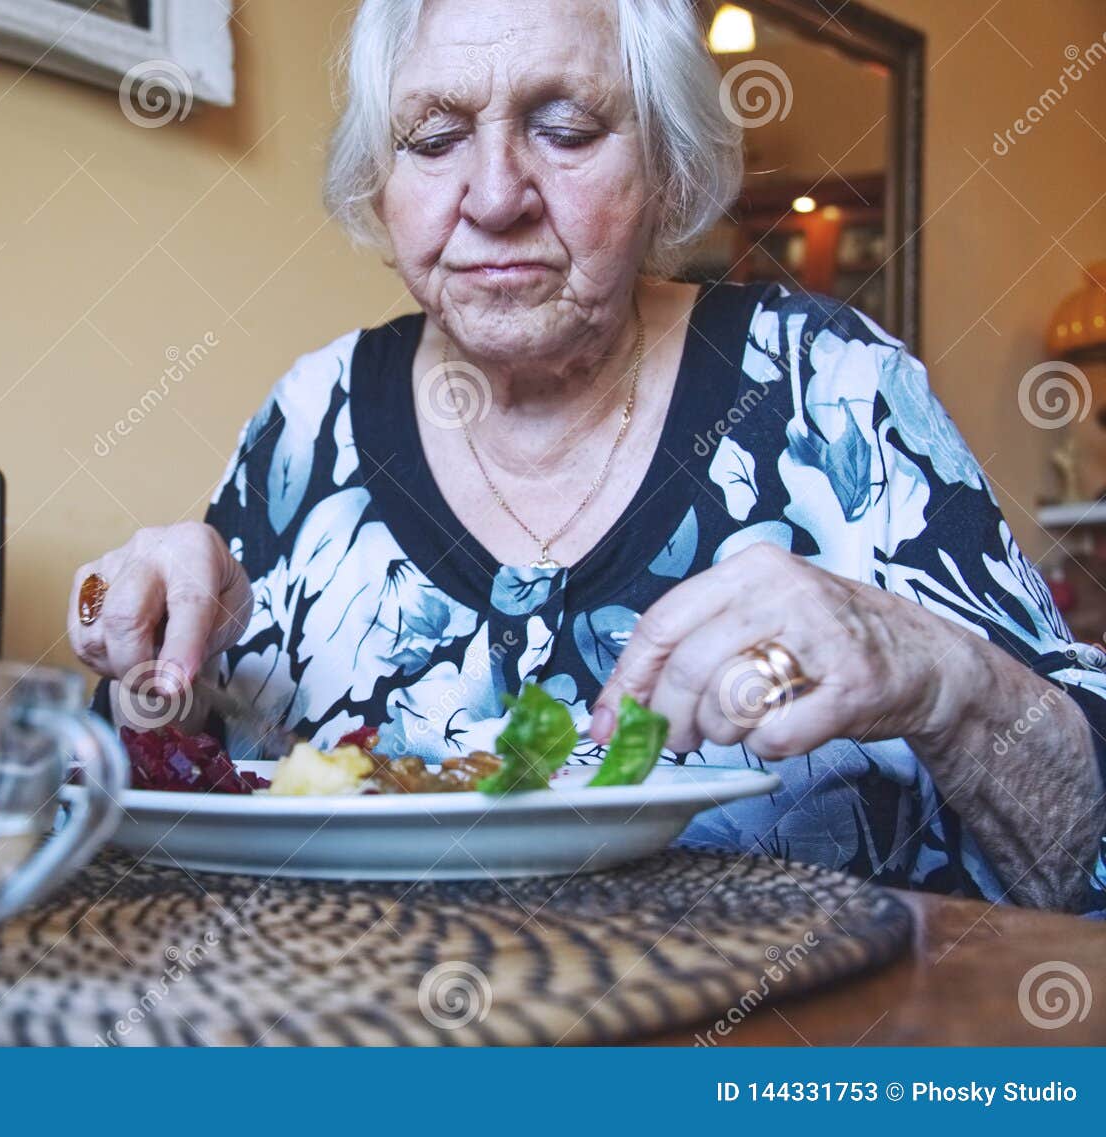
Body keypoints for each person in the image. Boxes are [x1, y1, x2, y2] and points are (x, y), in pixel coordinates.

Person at [68, 0, 1106, 913]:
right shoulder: (313, 416)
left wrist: (936, 675)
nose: (494, 196)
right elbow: (145, 810)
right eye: (431, 140)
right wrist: (156, 669)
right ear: (379, 188)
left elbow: (1082, 847)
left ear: (665, 166)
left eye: (564, 130)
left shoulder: (825, 385)